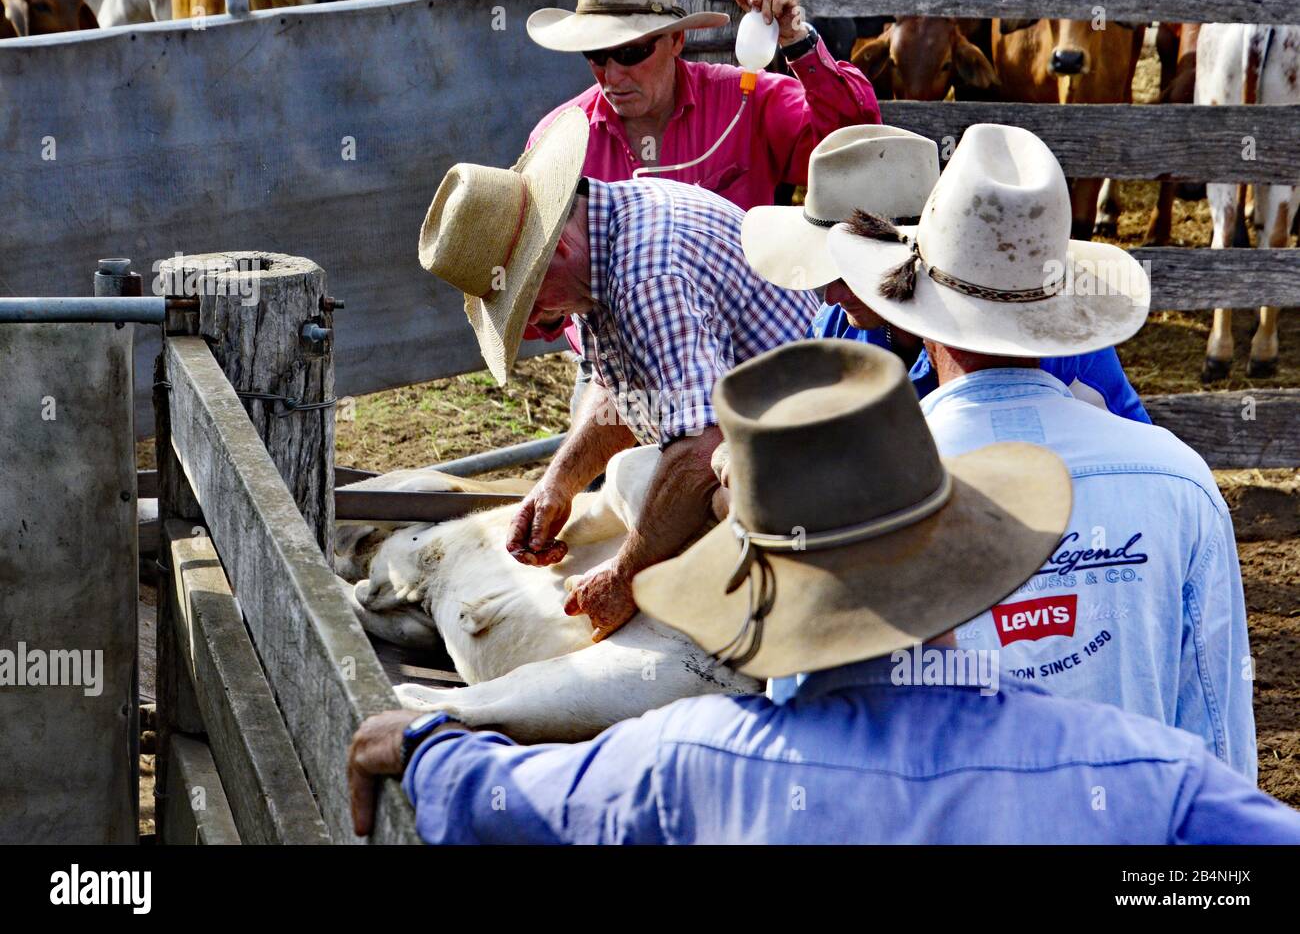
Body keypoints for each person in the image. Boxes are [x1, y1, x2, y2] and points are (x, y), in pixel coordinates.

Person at [347, 340, 1300, 844]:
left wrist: (426, 746)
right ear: (957, 561)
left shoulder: (683, 767)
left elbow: (512, 800)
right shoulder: (1129, 778)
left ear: (754, 582)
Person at [827, 122, 1257, 778]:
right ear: (1059, 309)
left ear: (918, 302)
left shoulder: (859, 493)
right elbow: (1219, 749)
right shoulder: (1179, 480)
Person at [417, 108, 817, 642]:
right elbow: (631, 389)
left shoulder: (646, 278)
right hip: (755, 439)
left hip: (812, 470)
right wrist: (558, 483)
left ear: (555, 249)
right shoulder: (608, 232)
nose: (534, 323)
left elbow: (702, 448)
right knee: (633, 476)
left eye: (525, 302)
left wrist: (626, 580)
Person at [524, 0, 879, 405]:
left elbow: (850, 145)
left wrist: (797, 44)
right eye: (596, 55)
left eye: (631, 52)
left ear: (676, 40)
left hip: (755, 351)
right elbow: (530, 289)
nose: (612, 74)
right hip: (624, 363)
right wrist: (552, 305)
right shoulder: (558, 145)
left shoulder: (744, 100)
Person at [740, 122, 1150, 421]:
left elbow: (1127, 445)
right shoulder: (836, 328)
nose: (830, 295)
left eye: (845, 271)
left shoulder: (1049, 335)